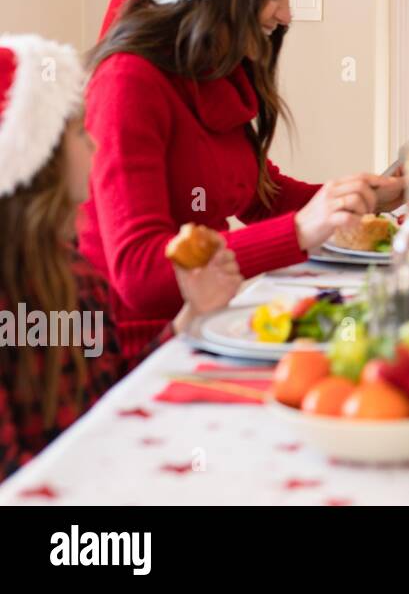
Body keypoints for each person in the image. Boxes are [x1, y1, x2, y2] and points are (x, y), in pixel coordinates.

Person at [79, 0, 409, 358]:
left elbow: (259, 195)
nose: (287, 15)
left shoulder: (216, 72)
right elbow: (142, 277)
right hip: (128, 350)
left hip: (206, 321)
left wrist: (367, 198)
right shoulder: (128, 83)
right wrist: (301, 231)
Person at [0, 34, 243, 480]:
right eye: (79, 133)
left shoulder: (76, 278)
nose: (94, 147)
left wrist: (190, 318)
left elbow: (107, 396)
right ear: (39, 157)